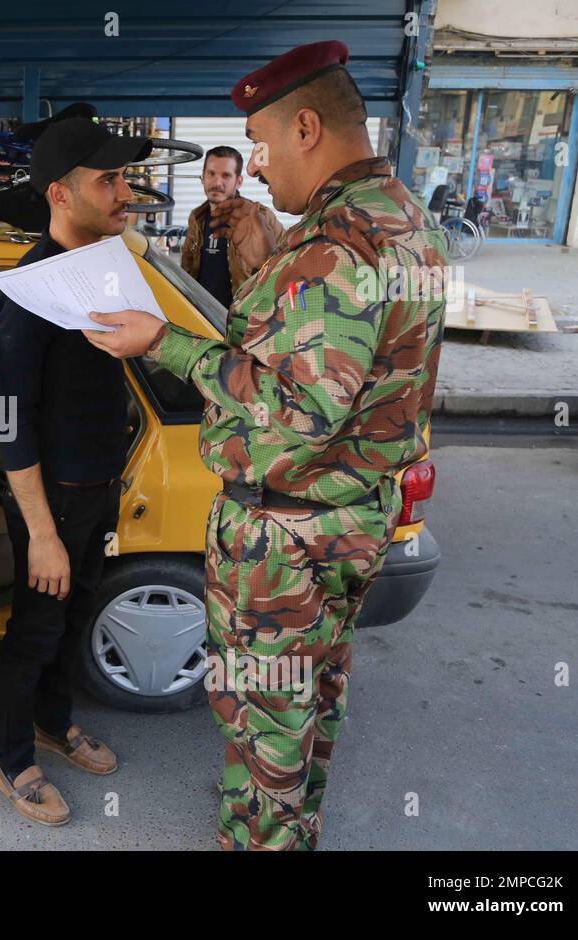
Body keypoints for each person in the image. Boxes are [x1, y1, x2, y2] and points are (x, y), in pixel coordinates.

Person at [81, 41, 447, 849]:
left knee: (265, 717)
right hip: (355, 513)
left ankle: (264, 839)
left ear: (306, 128)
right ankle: (290, 827)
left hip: (287, 532)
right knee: (314, 697)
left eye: (261, 144)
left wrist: (164, 343)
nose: (253, 166)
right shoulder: (405, 220)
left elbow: (300, 406)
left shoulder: (332, 245)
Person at [0, 116, 151, 826]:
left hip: (98, 490)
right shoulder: (29, 290)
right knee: (34, 631)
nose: (126, 192)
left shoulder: (103, 268)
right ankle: (11, 756)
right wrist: (42, 534)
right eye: (108, 180)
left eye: (124, 177)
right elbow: (6, 418)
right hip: (48, 502)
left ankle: (53, 722)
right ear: (60, 193)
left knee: (75, 615)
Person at [180, 146, 284, 307]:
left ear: (239, 181)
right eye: (211, 173)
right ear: (202, 177)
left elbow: (287, 265)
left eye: (226, 175)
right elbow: (186, 270)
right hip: (202, 315)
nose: (217, 182)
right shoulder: (196, 217)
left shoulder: (259, 217)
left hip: (241, 316)